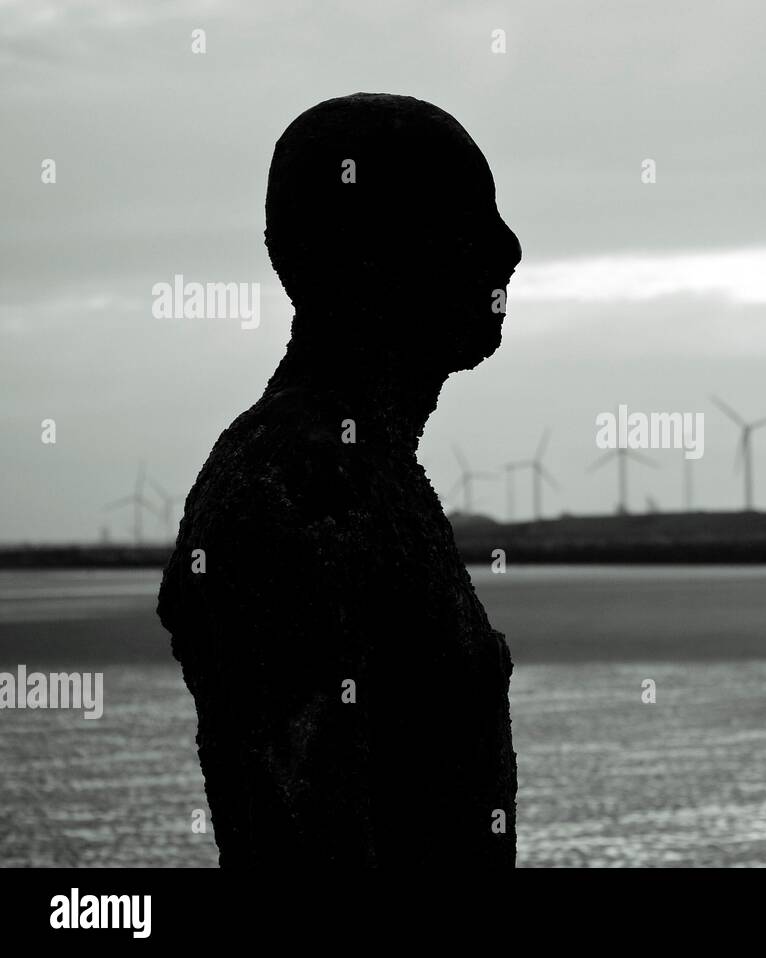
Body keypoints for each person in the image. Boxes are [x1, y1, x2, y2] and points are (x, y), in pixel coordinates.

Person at [157, 93, 522, 867]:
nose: (509, 247)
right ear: (375, 251)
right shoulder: (291, 494)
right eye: (466, 215)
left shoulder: (369, 480)